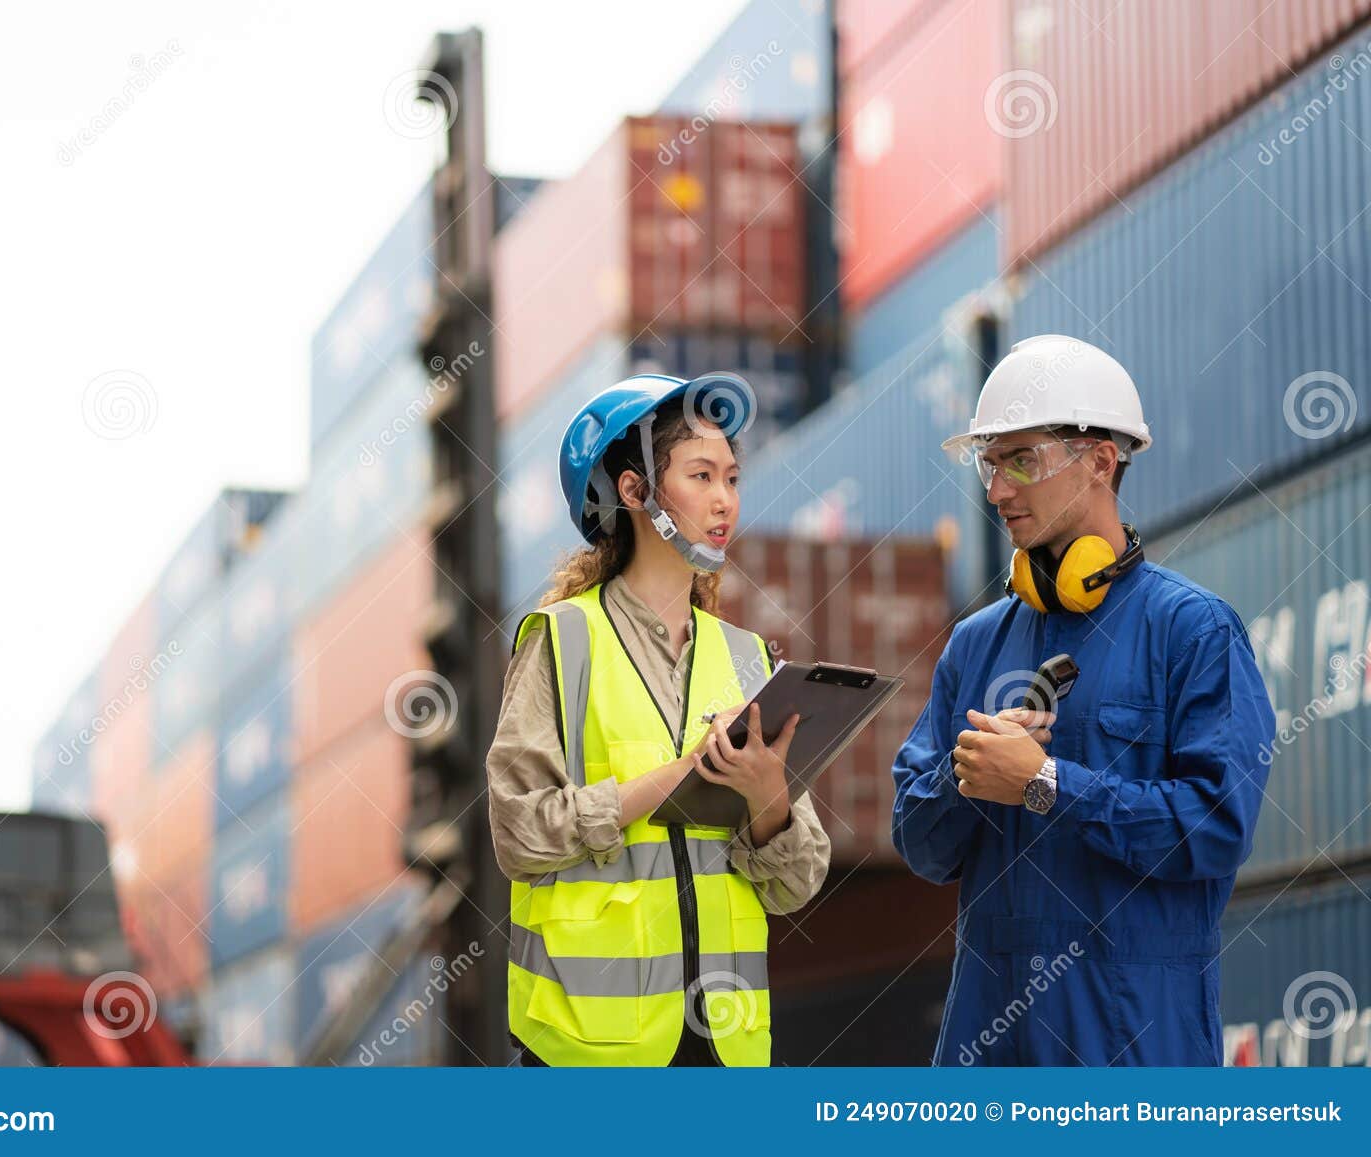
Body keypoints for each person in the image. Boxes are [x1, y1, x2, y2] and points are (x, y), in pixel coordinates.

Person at [892, 334, 1275, 1066]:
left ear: (1101, 460)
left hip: (1134, 1056)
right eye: (989, 462)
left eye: (1022, 460)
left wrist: (1044, 783)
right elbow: (920, 842)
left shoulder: (1193, 631)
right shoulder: (974, 645)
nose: (997, 488)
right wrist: (971, 773)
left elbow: (1217, 826)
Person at [486, 373, 831, 1067]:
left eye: (732, 477)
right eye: (700, 474)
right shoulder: (560, 640)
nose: (724, 499)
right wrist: (678, 776)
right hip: (586, 1053)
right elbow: (518, 833)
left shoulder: (746, 658)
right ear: (635, 490)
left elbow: (796, 884)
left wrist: (768, 798)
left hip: (723, 1048)